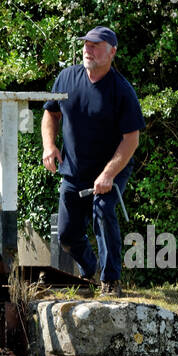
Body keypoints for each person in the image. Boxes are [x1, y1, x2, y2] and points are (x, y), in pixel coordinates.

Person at [41, 25, 144, 297]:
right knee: (66, 236)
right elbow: (50, 114)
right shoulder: (66, 78)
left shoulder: (122, 90)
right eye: (86, 44)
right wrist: (49, 145)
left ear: (112, 52)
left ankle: (110, 280)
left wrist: (109, 174)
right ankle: (90, 268)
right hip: (74, 169)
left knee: (103, 210)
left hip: (112, 167)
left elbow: (131, 140)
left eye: (95, 46)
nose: (88, 50)